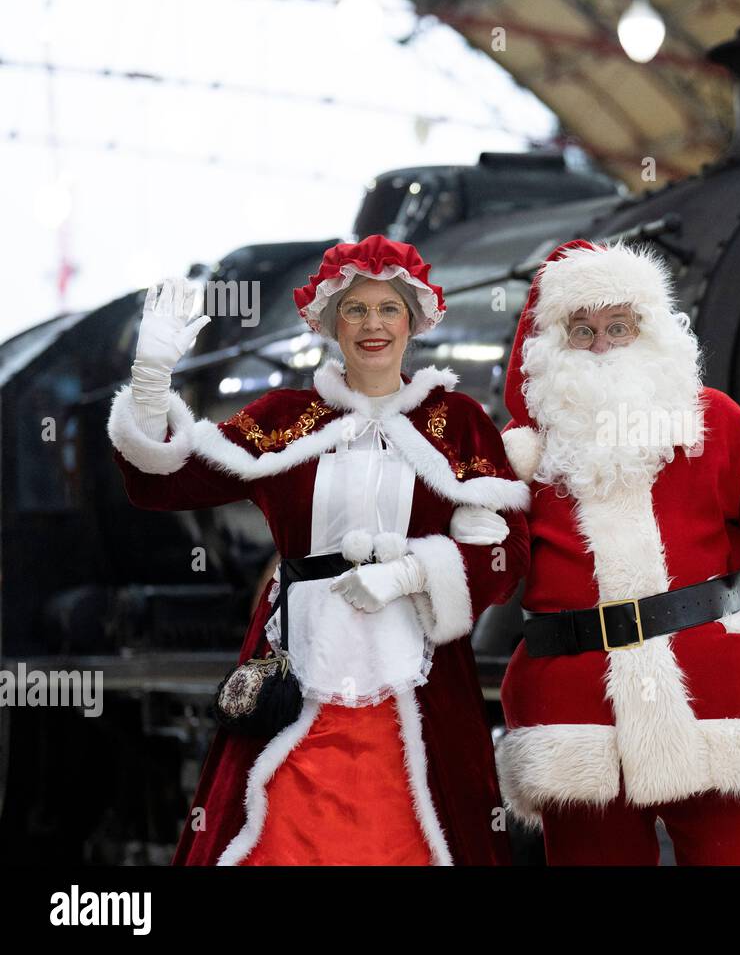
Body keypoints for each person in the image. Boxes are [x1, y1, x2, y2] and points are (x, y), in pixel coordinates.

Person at [106, 234, 529, 865]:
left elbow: (505, 552)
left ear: (414, 319)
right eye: (354, 310)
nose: (372, 324)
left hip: (420, 678)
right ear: (329, 323)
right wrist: (149, 381)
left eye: (388, 308)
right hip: (299, 665)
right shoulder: (285, 418)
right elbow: (166, 480)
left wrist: (412, 574)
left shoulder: (458, 421)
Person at [494, 238, 740, 865]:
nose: (602, 344)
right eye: (583, 329)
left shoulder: (715, 420)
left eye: (618, 325)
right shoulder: (525, 453)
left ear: (650, 330)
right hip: (577, 710)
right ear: (550, 344)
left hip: (717, 698)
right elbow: (486, 582)